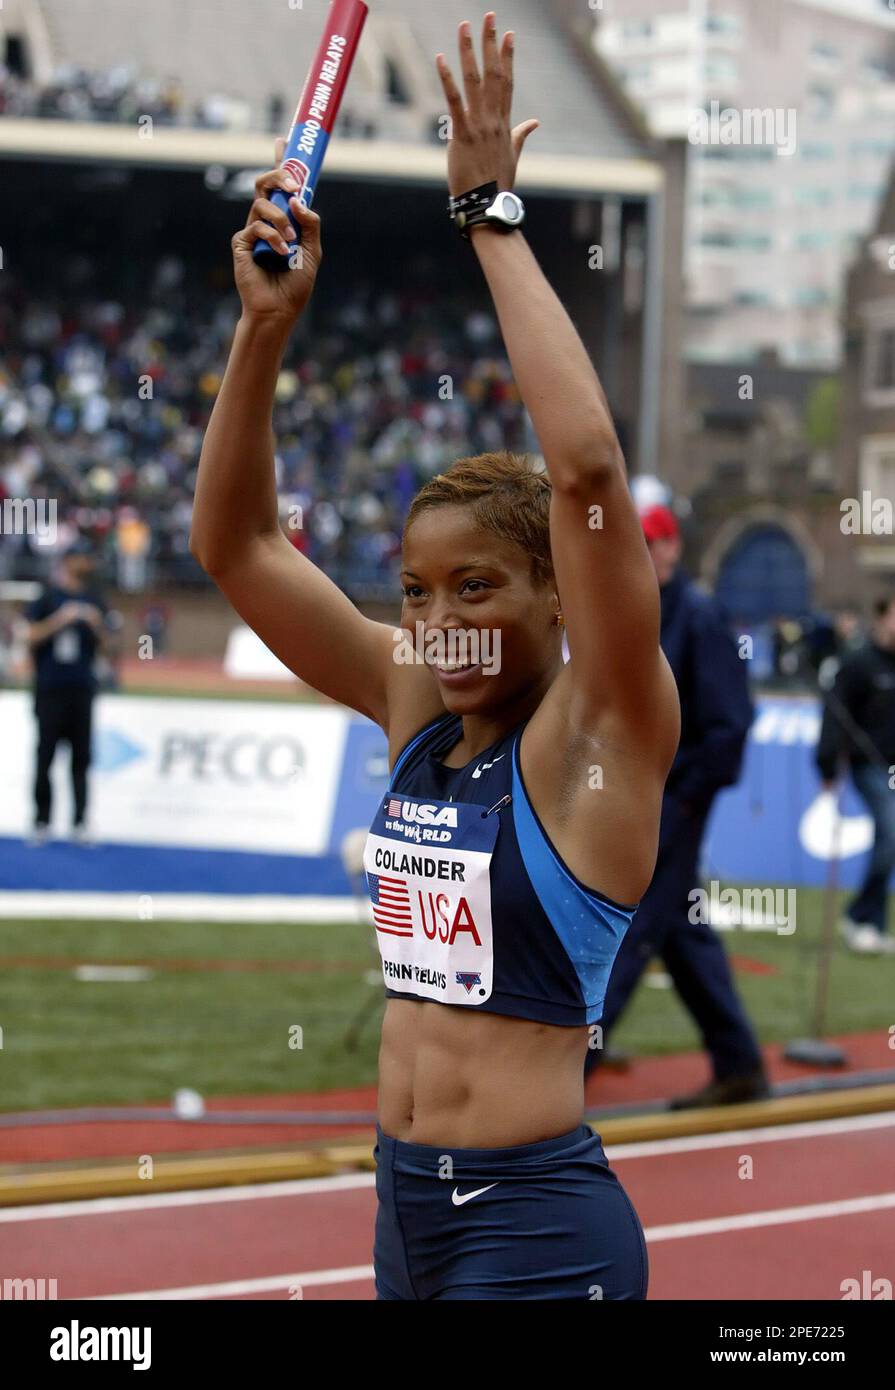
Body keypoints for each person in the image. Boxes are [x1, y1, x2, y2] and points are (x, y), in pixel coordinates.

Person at [190, 13, 679, 1300]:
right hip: (403, 1211)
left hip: (536, 1229)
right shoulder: (414, 696)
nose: (437, 618)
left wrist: (487, 217)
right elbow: (238, 544)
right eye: (412, 591)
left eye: (477, 586)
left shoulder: (601, 728)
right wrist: (264, 330)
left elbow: (584, 470)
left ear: (556, 596)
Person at [586, 504, 769, 1108]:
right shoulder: (638, 612)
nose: (643, 550)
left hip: (674, 799)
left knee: (628, 923)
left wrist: (685, 794)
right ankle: (739, 1063)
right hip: (639, 793)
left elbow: (729, 724)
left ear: (672, 547)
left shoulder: (698, 616)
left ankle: (570, 1067)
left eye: (651, 540)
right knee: (680, 929)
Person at [815, 594, 895, 955]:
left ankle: (869, 920)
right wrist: (828, 763)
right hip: (870, 766)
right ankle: (862, 917)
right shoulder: (859, 662)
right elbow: (836, 715)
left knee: (890, 842)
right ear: (882, 616)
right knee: (890, 834)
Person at [23, 536, 108, 845]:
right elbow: (30, 636)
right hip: (50, 688)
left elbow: (109, 646)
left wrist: (97, 624)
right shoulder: (48, 597)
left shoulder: (95, 598)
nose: (86, 564)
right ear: (68, 561)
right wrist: (61, 619)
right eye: (81, 557)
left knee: (81, 758)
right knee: (45, 755)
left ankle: (80, 821)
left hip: (82, 688)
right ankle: (41, 820)